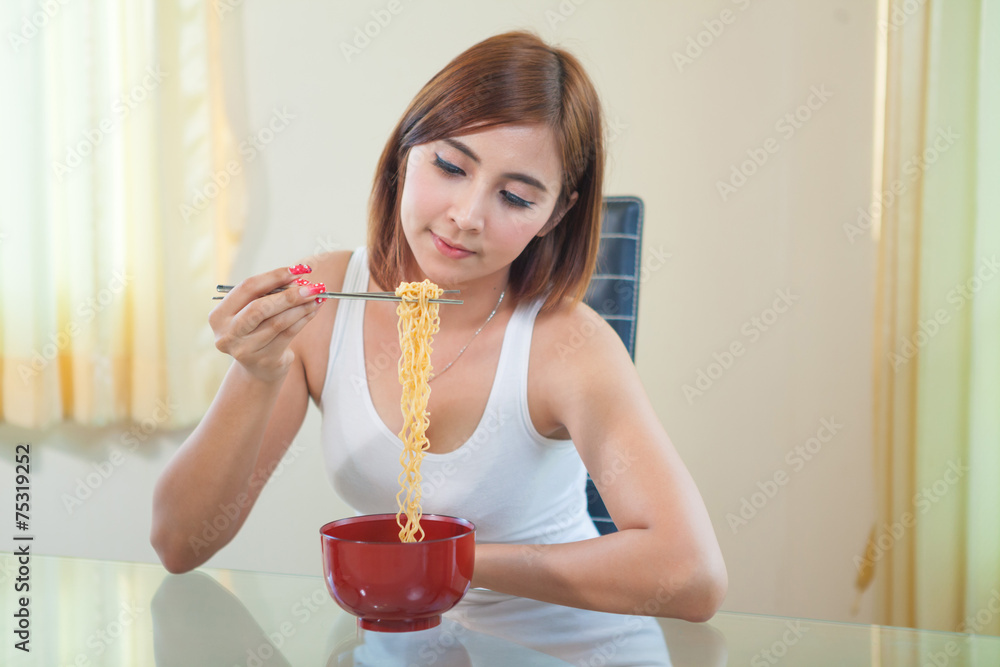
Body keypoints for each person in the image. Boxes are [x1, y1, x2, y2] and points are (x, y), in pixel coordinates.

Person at [151, 30, 727, 622]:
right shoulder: (321, 296)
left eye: (516, 198)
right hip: (401, 642)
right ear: (407, 149)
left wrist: (444, 561)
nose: (467, 216)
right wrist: (257, 369)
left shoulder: (568, 343)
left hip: (564, 648)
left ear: (556, 214)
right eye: (451, 165)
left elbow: (692, 576)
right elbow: (179, 543)